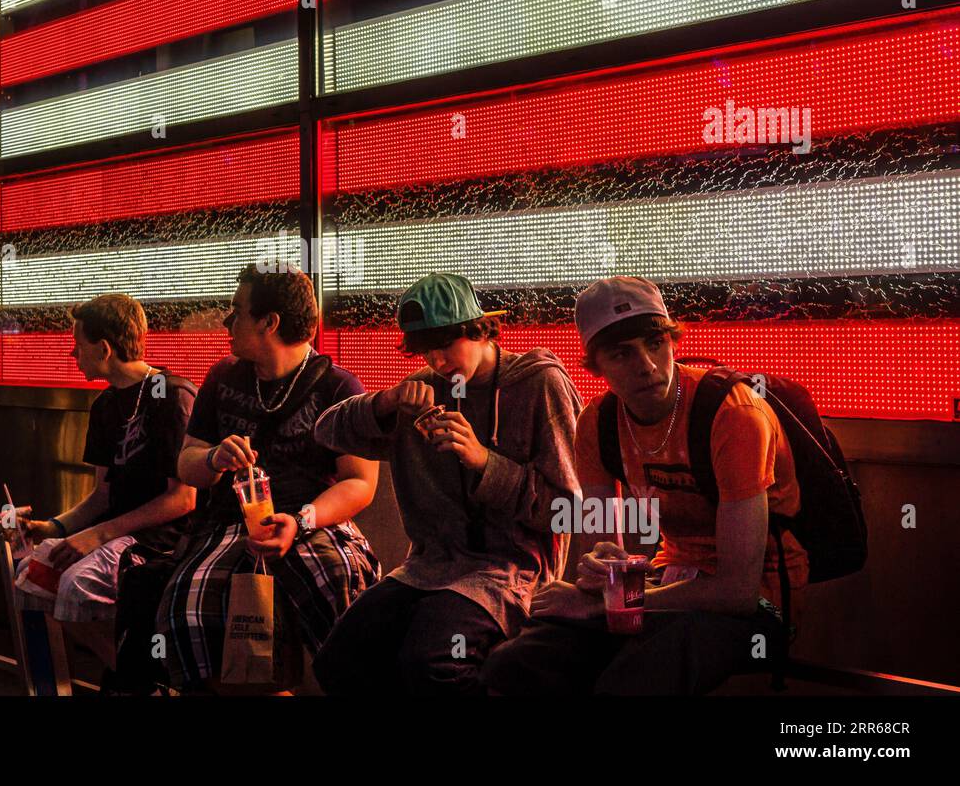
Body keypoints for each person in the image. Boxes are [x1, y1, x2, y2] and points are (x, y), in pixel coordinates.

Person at [481, 276, 806, 695]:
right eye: (622, 353)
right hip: (662, 582)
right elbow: (602, 544)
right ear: (597, 366)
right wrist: (604, 569)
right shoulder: (597, 423)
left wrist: (610, 601)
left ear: (672, 342)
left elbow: (737, 592)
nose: (647, 365)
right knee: (515, 664)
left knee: (629, 682)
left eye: (655, 343)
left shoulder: (734, 415)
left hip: (763, 603)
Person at [312, 273, 583, 695]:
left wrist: (484, 462)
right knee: (337, 660)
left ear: (478, 329)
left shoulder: (537, 384)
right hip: (427, 567)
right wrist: (385, 402)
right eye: (425, 349)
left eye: (445, 344)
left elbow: (567, 510)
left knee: (432, 660)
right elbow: (326, 432)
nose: (437, 361)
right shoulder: (424, 389)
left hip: (509, 572)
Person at [157, 264, 382, 693]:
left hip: (313, 522)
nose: (228, 322)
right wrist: (213, 458)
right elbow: (187, 463)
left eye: (237, 311)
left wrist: (302, 520)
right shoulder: (223, 377)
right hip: (229, 524)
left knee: (334, 584)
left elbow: (360, 483)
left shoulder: (338, 388)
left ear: (269, 323)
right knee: (187, 605)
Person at [7, 294, 196, 686]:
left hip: (160, 538)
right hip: (113, 535)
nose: (72, 350)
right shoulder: (105, 405)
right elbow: (102, 497)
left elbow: (183, 498)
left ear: (105, 348)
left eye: (77, 341)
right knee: (31, 573)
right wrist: (54, 528)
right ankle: (133, 672)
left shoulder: (171, 394)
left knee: (76, 584)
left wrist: (98, 535)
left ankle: (139, 676)